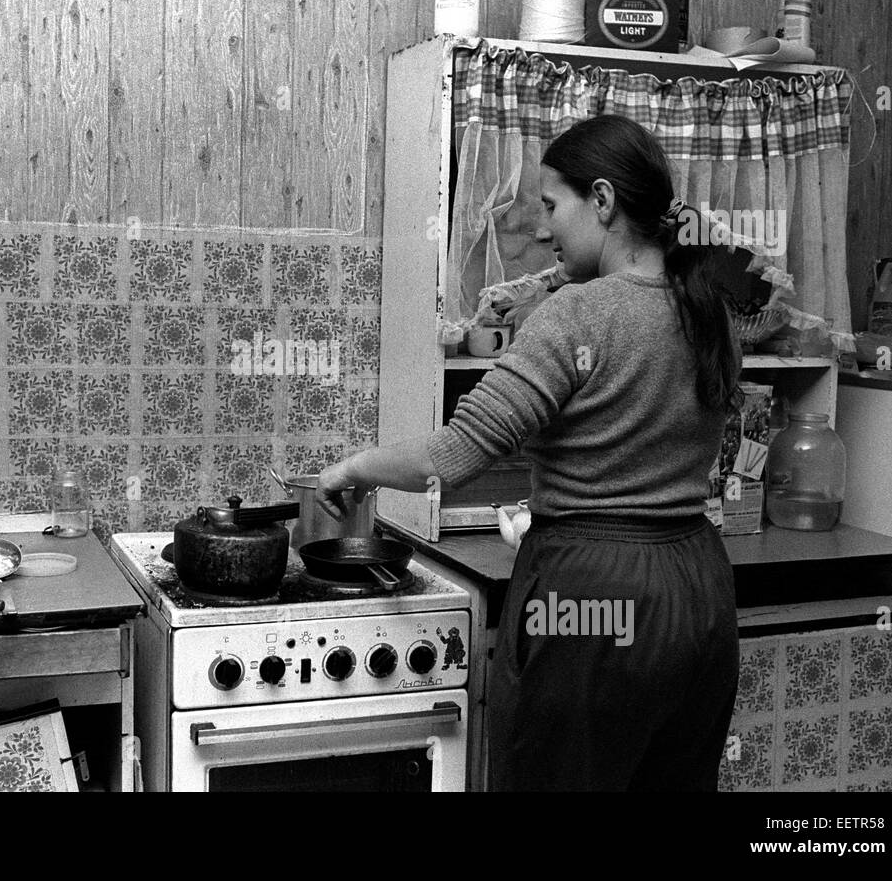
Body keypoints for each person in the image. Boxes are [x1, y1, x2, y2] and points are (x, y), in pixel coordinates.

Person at [317, 114, 742, 791]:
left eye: (551, 205)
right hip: (700, 588)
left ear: (602, 201)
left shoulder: (580, 314)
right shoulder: (706, 307)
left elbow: (454, 455)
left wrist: (354, 466)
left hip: (598, 595)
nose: (543, 229)